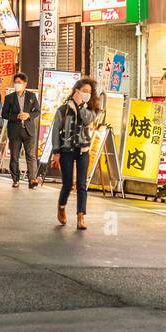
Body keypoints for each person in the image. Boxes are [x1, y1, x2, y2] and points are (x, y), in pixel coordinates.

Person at [50, 77, 99, 229]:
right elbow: (55, 131)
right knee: (67, 184)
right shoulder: (63, 110)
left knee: (82, 184)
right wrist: (56, 152)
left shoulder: (90, 109)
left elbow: (86, 120)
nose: (87, 94)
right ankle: (61, 207)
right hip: (66, 150)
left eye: (89, 92)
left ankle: (80, 217)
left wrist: (80, 106)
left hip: (83, 149)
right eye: (84, 91)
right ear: (76, 91)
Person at [1, 73, 40, 188]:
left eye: (20, 83)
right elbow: (4, 114)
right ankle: (15, 179)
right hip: (15, 131)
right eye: (16, 82)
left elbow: (37, 111)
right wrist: (16, 116)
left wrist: (28, 115)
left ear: (25, 84)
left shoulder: (31, 96)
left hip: (29, 130)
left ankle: (32, 179)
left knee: (31, 156)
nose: (17, 85)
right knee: (14, 156)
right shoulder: (9, 98)